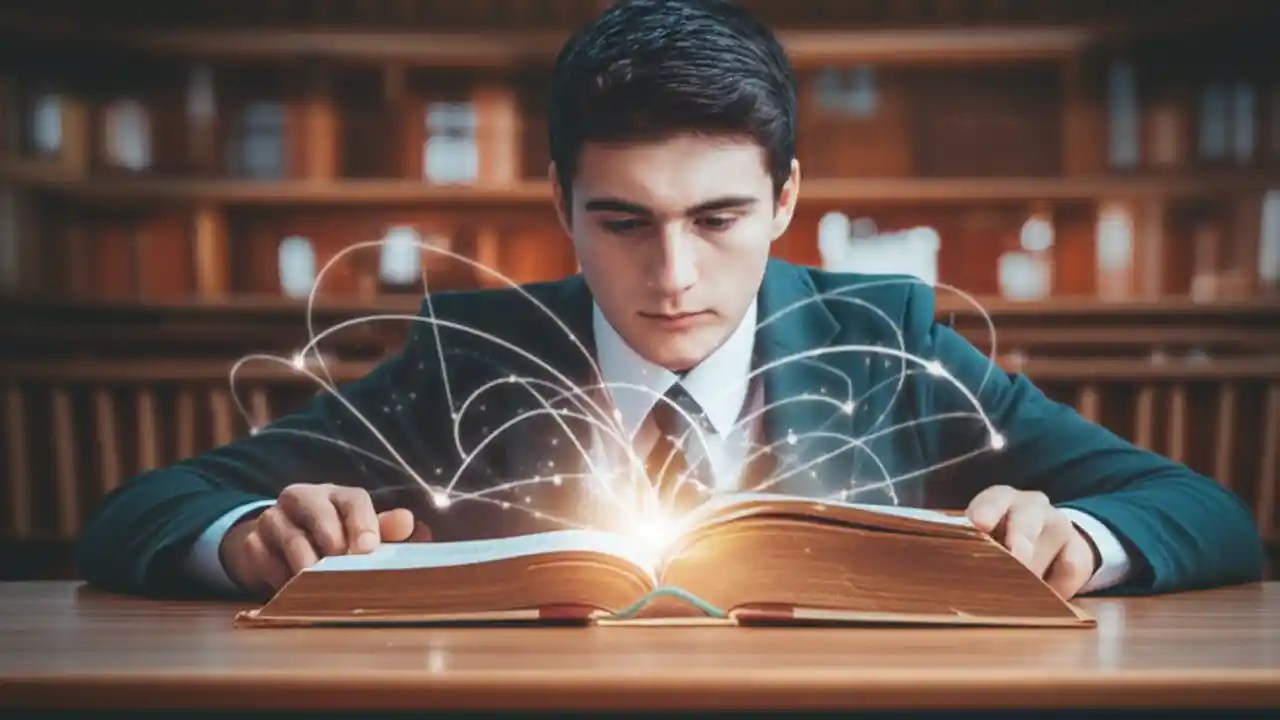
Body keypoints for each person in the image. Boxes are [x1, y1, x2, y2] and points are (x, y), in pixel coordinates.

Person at [77, 0, 1262, 600]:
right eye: (623, 221)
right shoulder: (470, 347)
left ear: (787, 196)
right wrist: (242, 541)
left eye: (717, 217)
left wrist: (1083, 539)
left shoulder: (885, 336)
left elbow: (1204, 512)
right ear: (560, 200)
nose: (673, 278)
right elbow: (142, 511)